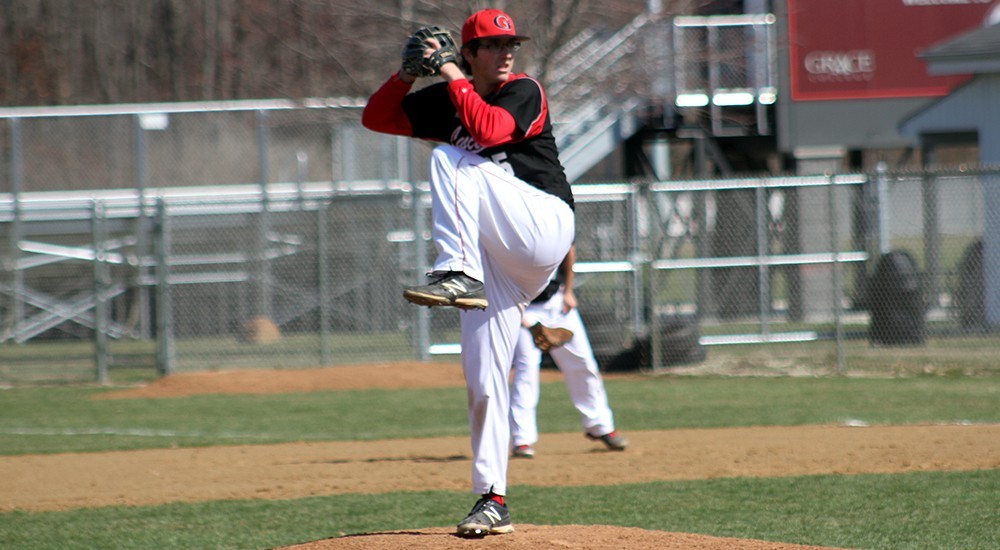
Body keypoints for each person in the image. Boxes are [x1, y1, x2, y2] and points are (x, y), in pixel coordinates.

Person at [361, 8, 575, 538]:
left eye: (511, 44)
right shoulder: (444, 97)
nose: (507, 53)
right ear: (472, 51)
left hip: (542, 223)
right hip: (499, 264)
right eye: (493, 46)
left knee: (448, 159)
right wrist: (407, 74)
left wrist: (453, 73)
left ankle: (455, 270)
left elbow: (489, 129)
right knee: (482, 378)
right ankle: (492, 497)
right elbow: (377, 118)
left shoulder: (524, 90)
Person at [509, 245, 628, 459]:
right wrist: (524, 320)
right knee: (526, 370)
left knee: (584, 365)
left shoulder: (558, 212)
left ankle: (600, 426)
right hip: (522, 305)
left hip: (558, 303)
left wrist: (569, 291)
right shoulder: (513, 222)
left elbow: (568, 250)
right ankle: (522, 440)